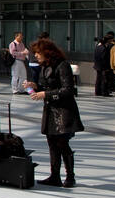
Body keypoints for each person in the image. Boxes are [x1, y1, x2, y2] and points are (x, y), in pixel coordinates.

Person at [30, 37, 83, 187]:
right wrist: (35, 87)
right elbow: (47, 87)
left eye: (38, 53)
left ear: (47, 52)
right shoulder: (45, 67)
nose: (36, 56)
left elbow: (68, 90)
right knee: (52, 143)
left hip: (64, 111)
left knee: (62, 143)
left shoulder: (62, 65)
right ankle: (55, 175)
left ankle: (70, 176)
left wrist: (45, 95)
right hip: (51, 111)